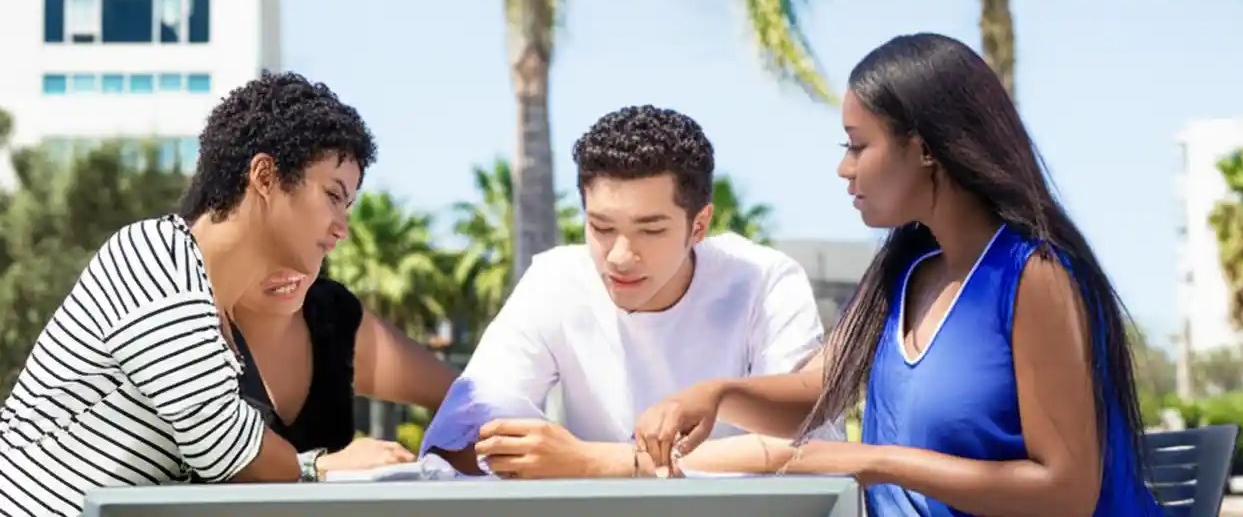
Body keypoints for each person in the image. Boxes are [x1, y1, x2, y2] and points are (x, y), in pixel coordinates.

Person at [633, 34, 1162, 516]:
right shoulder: (901, 274)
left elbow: (1065, 492)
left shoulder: (1034, 275)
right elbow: (812, 395)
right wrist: (714, 393)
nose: (845, 167)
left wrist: (873, 461)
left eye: (858, 144)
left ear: (927, 147)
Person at [0, 73, 413, 516]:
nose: (342, 228)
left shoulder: (219, 323)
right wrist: (324, 467)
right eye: (333, 195)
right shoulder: (156, 257)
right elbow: (225, 449)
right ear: (265, 177)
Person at [420, 105, 841, 479]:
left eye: (651, 230)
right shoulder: (554, 280)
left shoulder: (764, 282)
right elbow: (463, 435)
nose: (619, 256)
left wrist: (599, 462)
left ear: (699, 225)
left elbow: (808, 446)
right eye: (601, 228)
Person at [229, 259, 460, 455]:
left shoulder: (330, 314)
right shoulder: (198, 318)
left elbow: (468, 398)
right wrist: (318, 469)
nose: (289, 256)